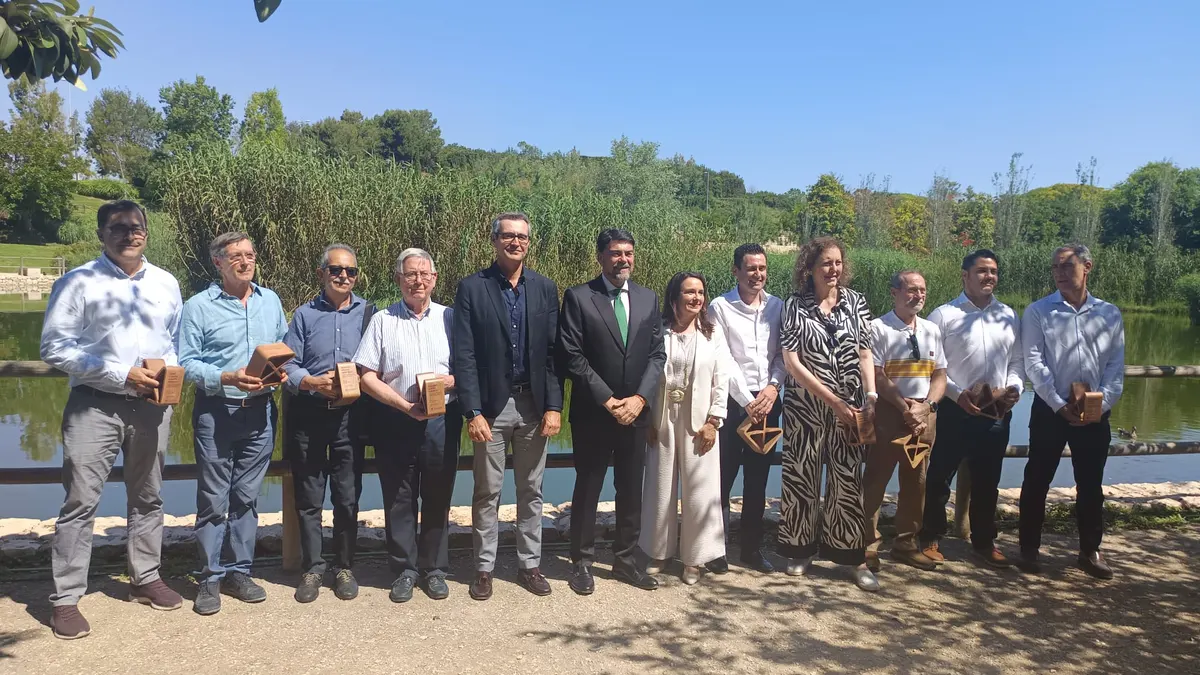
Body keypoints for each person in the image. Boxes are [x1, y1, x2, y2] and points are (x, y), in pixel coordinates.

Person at [40, 200, 184, 639]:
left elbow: (173, 340)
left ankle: (145, 577)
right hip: (95, 405)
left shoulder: (166, 283)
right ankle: (65, 598)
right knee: (80, 501)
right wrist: (121, 375)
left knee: (149, 496)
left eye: (136, 227)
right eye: (118, 228)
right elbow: (55, 347)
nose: (129, 234)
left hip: (152, 406)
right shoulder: (78, 282)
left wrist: (166, 379)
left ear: (146, 232)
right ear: (103, 233)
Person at [454, 212, 562, 601]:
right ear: (494, 240)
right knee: (487, 491)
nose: (516, 242)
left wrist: (554, 405)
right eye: (508, 236)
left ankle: (529, 565)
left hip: (534, 405)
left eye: (522, 237)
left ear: (529, 243)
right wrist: (472, 411)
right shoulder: (472, 287)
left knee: (532, 489)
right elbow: (463, 354)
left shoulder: (545, 289)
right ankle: (484, 568)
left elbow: (553, 354)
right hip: (491, 408)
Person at [179, 232, 289, 616]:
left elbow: (281, 345)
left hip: (260, 412)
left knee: (246, 498)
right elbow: (187, 362)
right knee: (213, 500)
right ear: (218, 263)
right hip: (216, 411)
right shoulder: (198, 307)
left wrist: (280, 371)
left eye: (250, 254)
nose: (245, 261)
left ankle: (239, 571)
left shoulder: (270, 300)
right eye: (236, 256)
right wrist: (227, 376)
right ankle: (209, 577)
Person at [557, 228, 666, 595]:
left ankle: (625, 560)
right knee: (588, 488)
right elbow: (571, 354)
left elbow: (656, 356)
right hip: (593, 413)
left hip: (636, 413)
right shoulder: (578, 297)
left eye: (629, 253)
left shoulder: (648, 299)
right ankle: (582, 562)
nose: (623, 260)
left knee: (630, 489)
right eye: (616, 253)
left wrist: (640, 399)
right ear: (601, 257)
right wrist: (608, 399)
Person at [354, 248, 461, 602]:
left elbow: (469, 370)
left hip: (440, 421)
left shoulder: (451, 319)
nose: (418, 281)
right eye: (410, 274)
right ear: (399, 279)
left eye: (424, 274)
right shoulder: (382, 320)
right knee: (398, 497)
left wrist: (450, 381)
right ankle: (404, 569)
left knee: (437, 495)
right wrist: (401, 404)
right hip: (395, 419)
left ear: (434, 279)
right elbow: (366, 375)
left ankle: (433, 569)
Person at [777, 236, 880, 591]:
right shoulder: (795, 305)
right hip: (805, 407)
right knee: (801, 476)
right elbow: (791, 362)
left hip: (851, 407)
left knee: (848, 481)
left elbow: (865, 353)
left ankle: (852, 558)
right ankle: (799, 550)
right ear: (809, 268)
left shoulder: (856, 302)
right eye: (826, 263)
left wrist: (870, 395)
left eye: (837, 263)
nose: (833, 270)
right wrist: (830, 399)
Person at [1019, 244, 1124, 579]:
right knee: (1037, 479)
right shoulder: (1038, 311)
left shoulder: (1109, 314)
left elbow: (1115, 368)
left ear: (1087, 266)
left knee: (1091, 484)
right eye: (1055, 268)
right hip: (1051, 410)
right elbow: (1034, 364)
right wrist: (1059, 404)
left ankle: (1090, 551)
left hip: (1094, 413)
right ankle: (1029, 549)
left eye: (1067, 266)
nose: (1061, 274)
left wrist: (1101, 405)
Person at [920, 249, 1024, 567]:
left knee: (987, 480)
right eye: (981, 271)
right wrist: (954, 393)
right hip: (954, 408)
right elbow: (932, 366)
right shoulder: (944, 315)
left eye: (993, 271)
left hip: (996, 412)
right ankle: (930, 537)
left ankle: (983, 541)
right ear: (965, 275)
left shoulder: (1008, 315)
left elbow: (1017, 361)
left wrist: (1015, 388)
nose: (988, 276)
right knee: (939, 476)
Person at [282, 244, 373, 603]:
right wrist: (309, 381)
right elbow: (288, 365)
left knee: (348, 497)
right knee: (309, 497)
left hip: (351, 417)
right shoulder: (303, 315)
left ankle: (345, 565)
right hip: (310, 413)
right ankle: (312, 567)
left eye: (350, 271)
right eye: (336, 270)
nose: (344, 277)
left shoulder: (369, 313)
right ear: (322, 273)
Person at [640, 272, 732, 585]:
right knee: (660, 485)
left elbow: (723, 378)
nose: (696, 298)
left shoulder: (712, 334)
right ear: (674, 297)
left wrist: (714, 420)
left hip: (700, 422)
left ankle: (696, 559)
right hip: (662, 418)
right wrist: (647, 418)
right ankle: (659, 551)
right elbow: (648, 375)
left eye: (700, 292)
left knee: (700, 490)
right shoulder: (659, 331)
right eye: (689, 292)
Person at [861, 270, 946, 573]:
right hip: (889, 414)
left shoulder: (932, 329)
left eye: (922, 290)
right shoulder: (877, 328)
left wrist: (928, 406)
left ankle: (906, 544)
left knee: (917, 483)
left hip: (924, 417)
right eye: (911, 290)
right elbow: (878, 375)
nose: (918, 296)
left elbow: (940, 375)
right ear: (894, 292)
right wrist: (903, 407)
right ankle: (868, 544)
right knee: (876, 480)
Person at [708, 243, 785, 573]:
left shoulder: (778, 306)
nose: (758, 274)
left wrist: (772, 387)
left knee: (758, 480)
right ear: (736, 271)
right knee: (722, 478)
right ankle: (715, 549)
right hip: (733, 403)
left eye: (762, 268)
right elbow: (722, 358)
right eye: (751, 268)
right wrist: (747, 400)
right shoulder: (720, 307)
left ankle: (751, 550)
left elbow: (783, 355)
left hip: (769, 401)